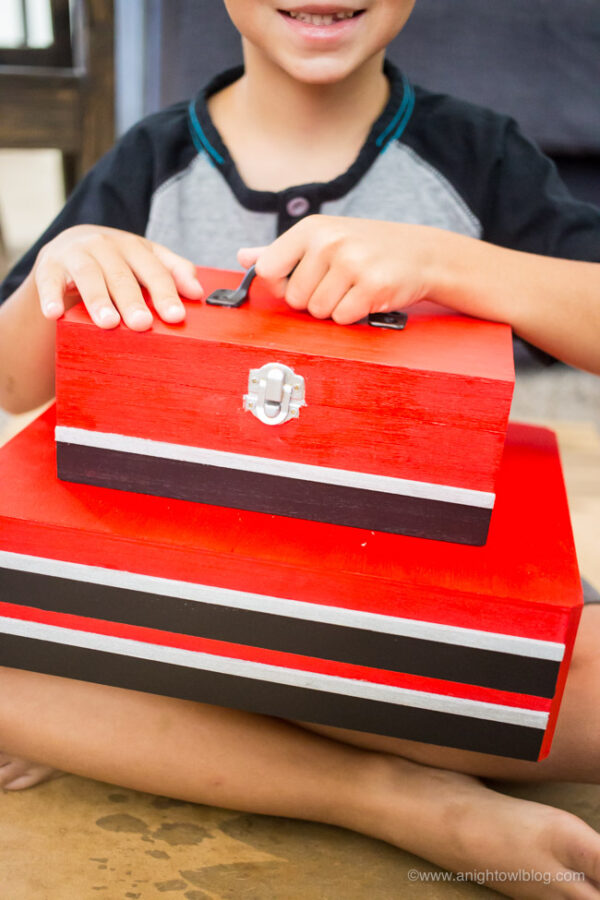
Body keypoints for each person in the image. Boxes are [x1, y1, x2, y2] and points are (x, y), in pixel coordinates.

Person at [1, 1, 600, 895]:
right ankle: (397, 799)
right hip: (188, 594)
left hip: (429, 610)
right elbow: (15, 385)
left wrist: (452, 263)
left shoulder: (480, 152)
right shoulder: (150, 161)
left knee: (542, 673)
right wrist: (67, 261)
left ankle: (145, 720)